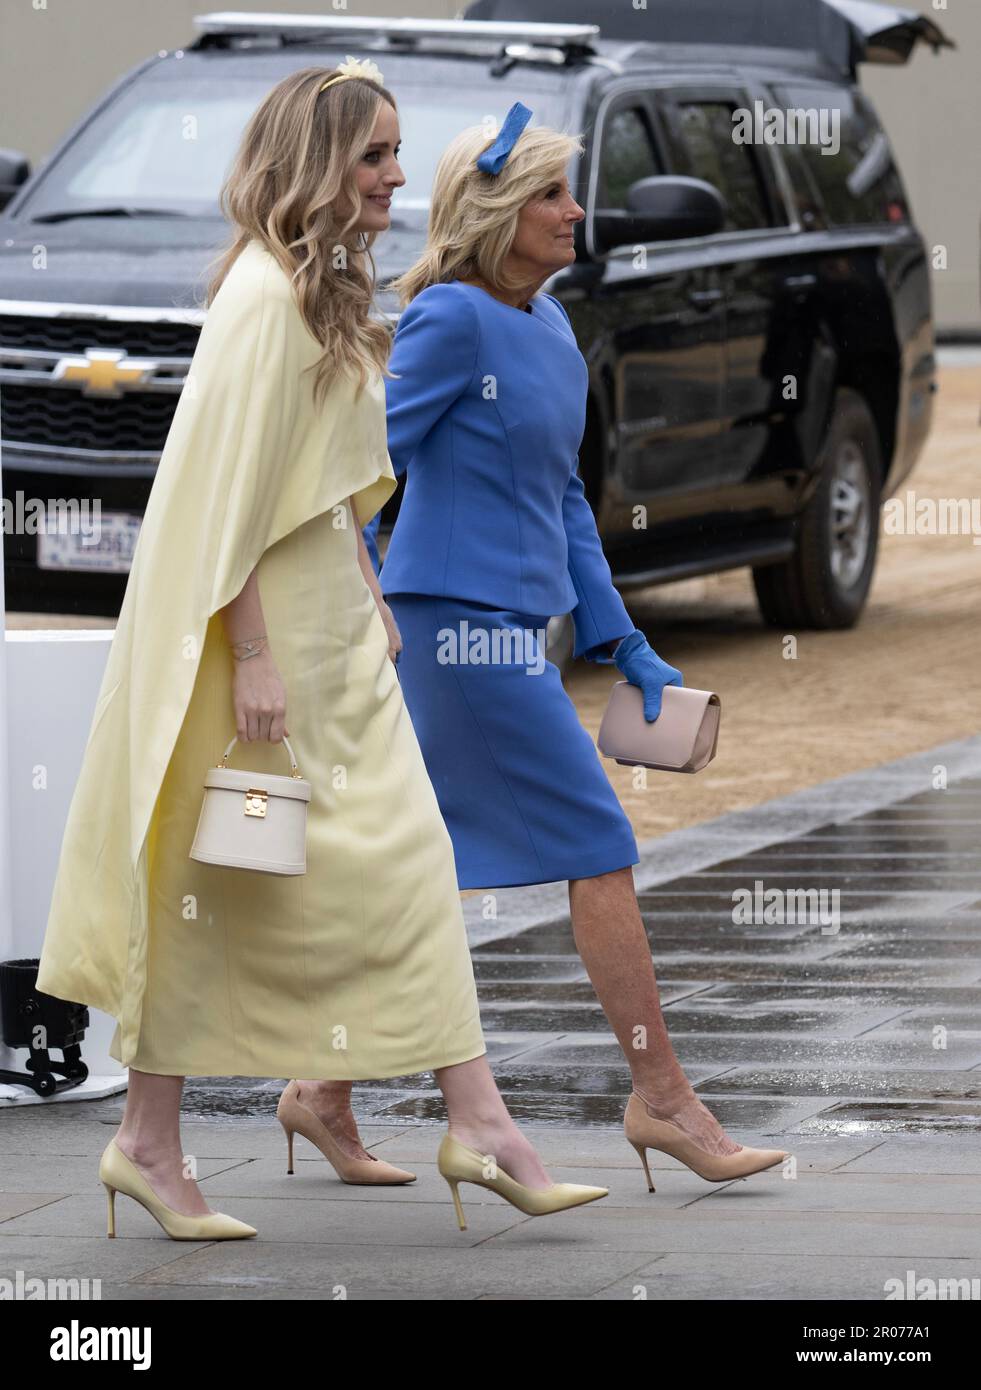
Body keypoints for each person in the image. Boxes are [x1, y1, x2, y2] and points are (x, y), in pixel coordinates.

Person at [35, 63, 608, 1241]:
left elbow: (326, 477)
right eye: (375, 156)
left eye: (398, 154)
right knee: (220, 888)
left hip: (334, 641)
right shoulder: (264, 297)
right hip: (266, 659)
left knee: (392, 870)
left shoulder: (324, 285)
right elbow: (222, 501)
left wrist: (362, 584)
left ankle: (474, 1121)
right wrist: (251, 653)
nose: (399, 175)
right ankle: (154, 1141)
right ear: (317, 163)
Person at [360, 103, 789, 1186]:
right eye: (550, 193)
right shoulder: (450, 318)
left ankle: (316, 1094)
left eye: (568, 189)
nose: (573, 210)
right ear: (496, 211)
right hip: (451, 632)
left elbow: (561, 501)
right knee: (600, 843)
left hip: (516, 632)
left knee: (420, 864)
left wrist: (628, 644)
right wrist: (353, 587)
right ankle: (666, 1102)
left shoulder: (550, 324)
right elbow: (362, 470)